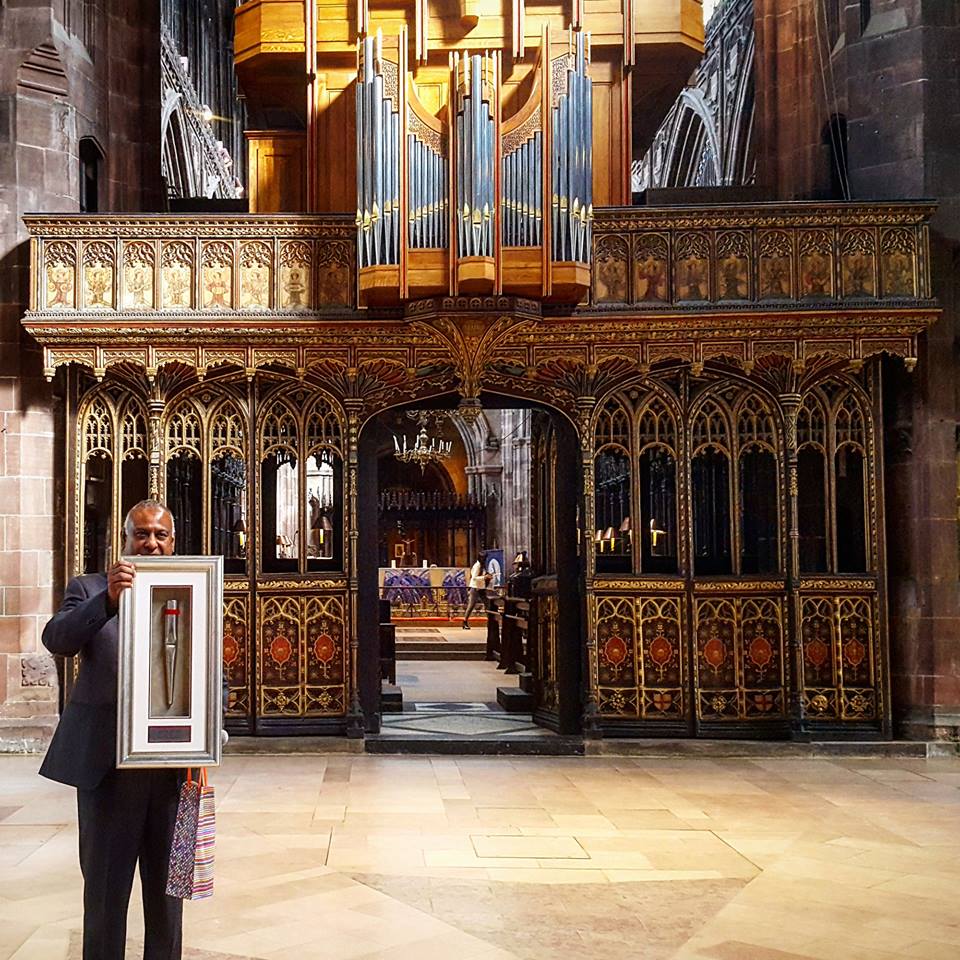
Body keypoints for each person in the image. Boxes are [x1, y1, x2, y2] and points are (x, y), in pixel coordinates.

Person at [40, 500, 183, 960]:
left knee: (168, 897)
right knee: (104, 895)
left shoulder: (189, 591)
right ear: (124, 541)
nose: (151, 543)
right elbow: (57, 639)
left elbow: (209, 669)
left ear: (173, 543)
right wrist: (108, 602)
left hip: (170, 770)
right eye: (141, 534)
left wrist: (209, 727)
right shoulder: (89, 588)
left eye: (160, 535)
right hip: (107, 769)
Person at [462, 551, 489, 628]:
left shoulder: (482, 565)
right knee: (471, 605)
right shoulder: (477, 565)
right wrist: (484, 577)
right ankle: (465, 621)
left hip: (481, 587)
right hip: (475, 587)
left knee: (487, 605)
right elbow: (474, 577)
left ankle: (490, 622)